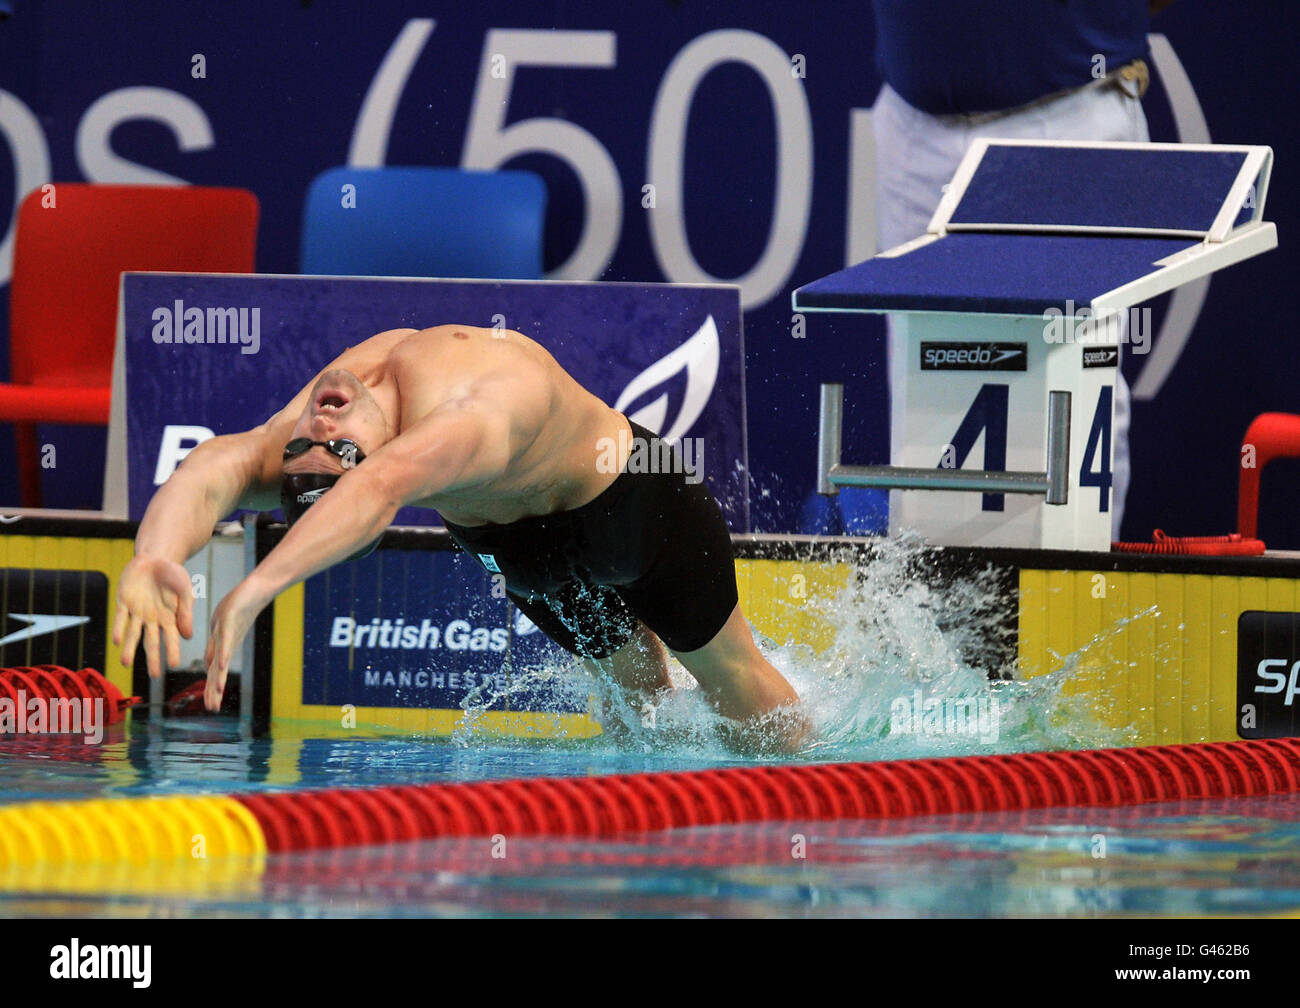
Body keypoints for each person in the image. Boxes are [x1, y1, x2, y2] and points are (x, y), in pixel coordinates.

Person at [111, 324, 806, 752]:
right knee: (636, 703)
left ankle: (817, 803)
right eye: (312, 452)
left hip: (631, 507)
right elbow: (223, 471)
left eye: (312, 444)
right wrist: (155, 554)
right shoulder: (376, 434)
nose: (317, 433)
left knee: (729, 673)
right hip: (521, 556)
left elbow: (354, 486)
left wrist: (253, 588)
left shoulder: (464, 402)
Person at [871, 0, 1178, 535]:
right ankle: (938, 616)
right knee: (926, 404)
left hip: (1070, 109)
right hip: (912, 118)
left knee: (1077, 399)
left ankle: (1077, 610)